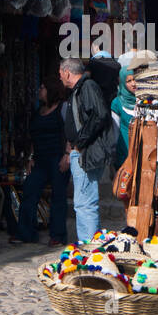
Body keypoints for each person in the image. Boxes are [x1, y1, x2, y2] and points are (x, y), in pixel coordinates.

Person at [60, 57, 118, 244]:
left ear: (67, 72)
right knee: (84, 203)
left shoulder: (87, 87)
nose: (60, 77)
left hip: (86, 152)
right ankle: (92, 244)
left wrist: (80, 142)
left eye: (60, 73)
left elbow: (99, 115)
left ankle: (89, 247)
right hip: (82, 151)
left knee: (85, 204)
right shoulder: (81, 89)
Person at [11, 76, 70, 247]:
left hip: (57, 158)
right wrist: (30, 158)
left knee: (58, 196)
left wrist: (67, 155)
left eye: (43, 87)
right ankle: (26, 232)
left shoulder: (62, 109)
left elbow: (70, 133)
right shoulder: (39, 111)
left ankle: (57, 235)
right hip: (40, 160)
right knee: (30, 189)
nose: (40, 90)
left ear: (51, 90)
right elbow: (33, 137)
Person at [110, 66, 140, 170]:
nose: (133, 84)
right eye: (129, 81)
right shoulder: (117, 103)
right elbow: (115, 130)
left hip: (143, 152)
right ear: (123, 82)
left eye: (135, 79)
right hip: (124, 151)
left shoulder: (145, 101)